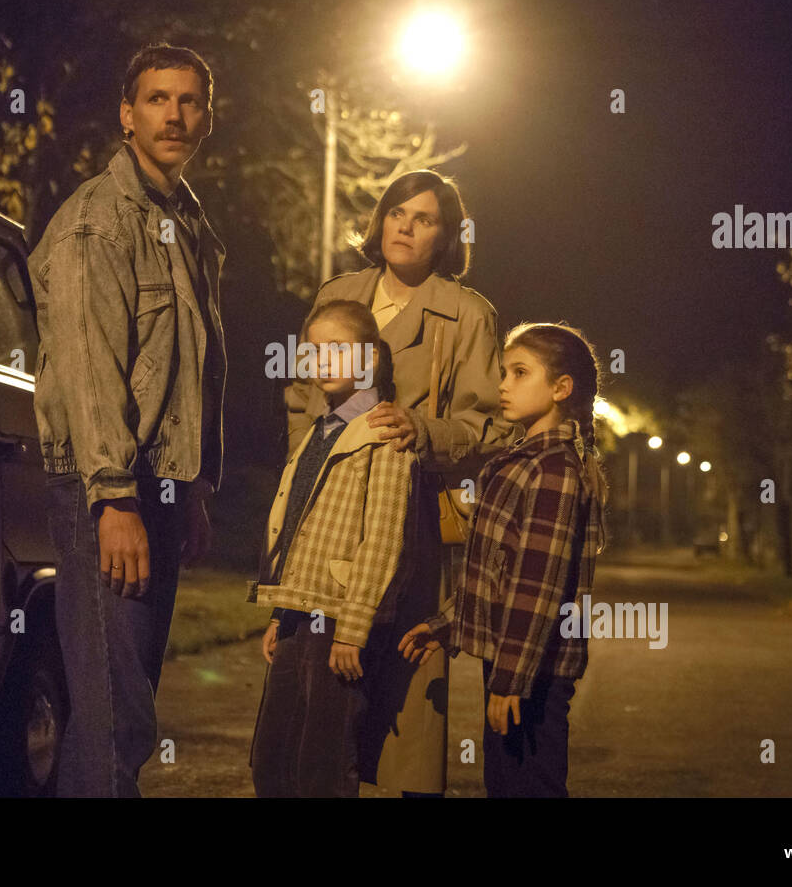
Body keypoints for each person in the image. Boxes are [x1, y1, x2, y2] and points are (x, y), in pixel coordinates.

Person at [29, 42, 226, 797]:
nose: (174, 114)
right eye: (156, 99)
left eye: (189, 101)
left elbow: (193, 372)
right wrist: (113, 497)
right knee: (118, 715)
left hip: (163, 487)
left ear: (207, 117)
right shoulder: (98, 221)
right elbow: (87, 368)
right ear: (126, 114)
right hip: (112, 485)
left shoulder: (186, 223)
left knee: (127, 700)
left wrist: (196, 490)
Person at [283, 169, 517, 796]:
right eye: (395, 212)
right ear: (379, 220)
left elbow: (492, 426)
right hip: (328, 520)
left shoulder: (467, 314)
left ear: (446, 239)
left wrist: (422, 428)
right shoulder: (339, 291)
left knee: (412, 696)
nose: (405, 227)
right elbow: (301, 400)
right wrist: (295, 489)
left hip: (412, 520)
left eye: (424, 219)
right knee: (320, 696)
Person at [401, 322, 609, 797]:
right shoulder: (525, 461)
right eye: (504, 373)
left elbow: (536, 590)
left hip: (533, 671)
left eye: (520, 373)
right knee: (509, 784)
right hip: (515, 662)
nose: (503, 385)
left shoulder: (553, 471)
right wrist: (444, 624)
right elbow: (497, 571)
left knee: (529, 786)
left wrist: (511, 681)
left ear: (561, 389)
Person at [249, 300, 416, 797]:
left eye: (335, 350)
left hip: (340, 618)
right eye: (312, 351)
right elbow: (296, 526)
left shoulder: (384, 433)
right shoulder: (316, 433)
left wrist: (354, 630)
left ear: (370, 357)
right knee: (274, 752)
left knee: (323, 753)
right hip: (300, 610)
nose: (320, 361)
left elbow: (383, 539)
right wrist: (281, 611)